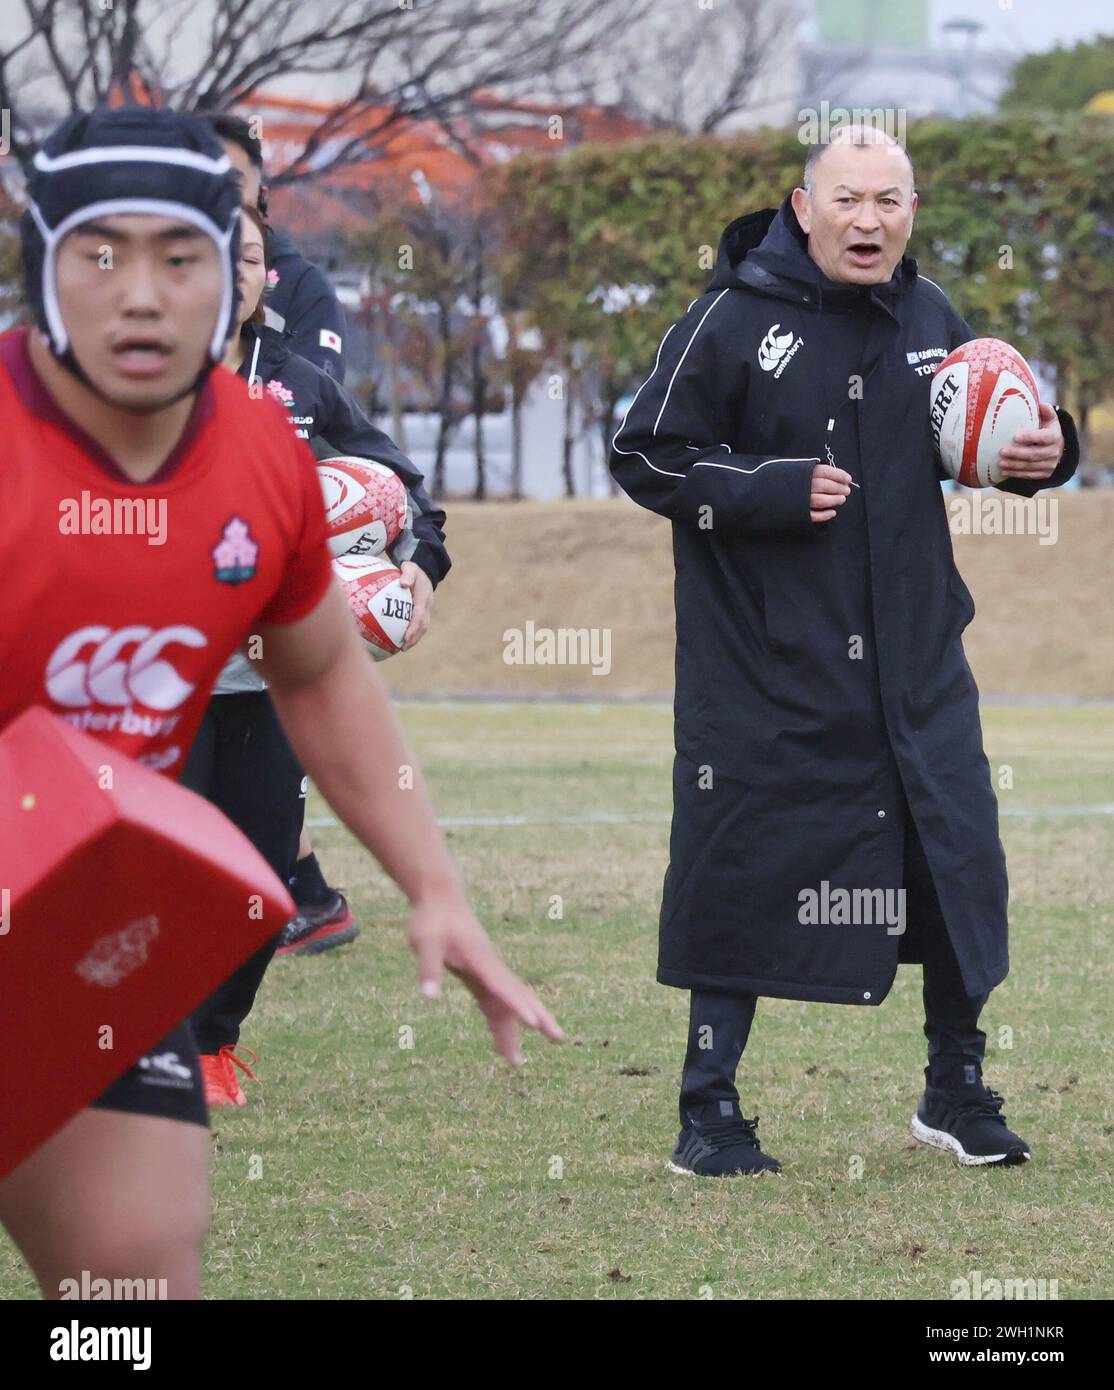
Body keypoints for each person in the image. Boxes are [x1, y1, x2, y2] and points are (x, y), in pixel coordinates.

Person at [0, 106, 561, 1300]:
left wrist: (434, 887)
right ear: (42, 267)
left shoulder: (260, 447)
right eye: (101, 254)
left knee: (135, 1269)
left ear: (241, 273)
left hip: (75, 938)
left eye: (181, 255)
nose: (142, 293)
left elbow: (316, 672)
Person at [609, 125, 1077, 1178]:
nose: (870, 221)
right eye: (850, 199)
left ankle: (955, 1089)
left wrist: (1045, 456)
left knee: (960, 863)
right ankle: (708, 1112)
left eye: (891, 201)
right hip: (767, 673)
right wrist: (768, 489)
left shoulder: (927, 313)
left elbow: (984, 422)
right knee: (734, 874)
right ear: (803, 204)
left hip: (916, 661)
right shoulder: (728, 317)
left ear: (910, 211)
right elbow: (644, 455)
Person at [187, 204, 450, 1107]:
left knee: (262, 880)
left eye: (251, 256)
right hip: (158, 676)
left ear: (265, 281)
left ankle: (211, 1046)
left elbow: (395, 485)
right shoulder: (124, 385)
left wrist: (422, 565)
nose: (233, 270)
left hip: (266, 676)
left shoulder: (298, 385)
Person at [208, 111, 363, 945]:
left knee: (261, 799)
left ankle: (295, 892)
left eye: (233, 186)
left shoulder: (295, 292)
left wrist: (417, 549)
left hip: (274, 600)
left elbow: (326, 424)